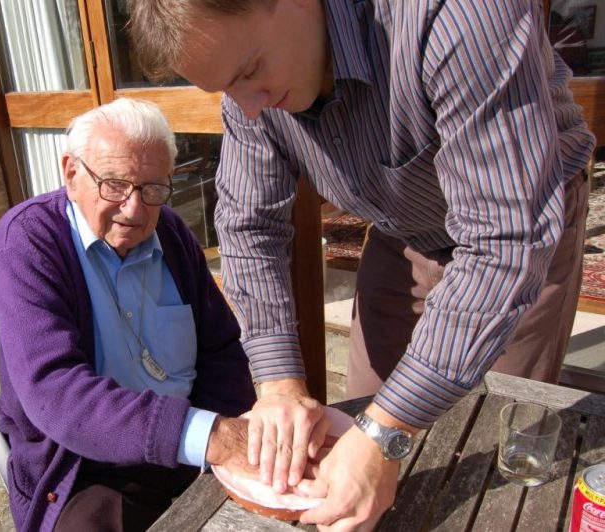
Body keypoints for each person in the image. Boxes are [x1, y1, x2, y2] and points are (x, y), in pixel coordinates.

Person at [126, 0, 595, 529]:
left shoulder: (458, 16)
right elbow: (250, 226)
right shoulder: (250, 98)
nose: (249, 108)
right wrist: (280, 384)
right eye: (227, 90)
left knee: (494, 437)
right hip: (402, 227)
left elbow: (503, 242)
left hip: (521, 231)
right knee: (356, 434)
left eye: (251, 71)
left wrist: (386, 431)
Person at [0, 98, 257, 532]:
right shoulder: (27, 240)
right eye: (114, 184)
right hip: (87, 465)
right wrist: (208, 437)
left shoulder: (169, 231)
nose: (134, 209)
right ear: (71, 172)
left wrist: (225, 429)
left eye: (153, 188)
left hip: (191, 439)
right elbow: (55, 392)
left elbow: (220, 346)